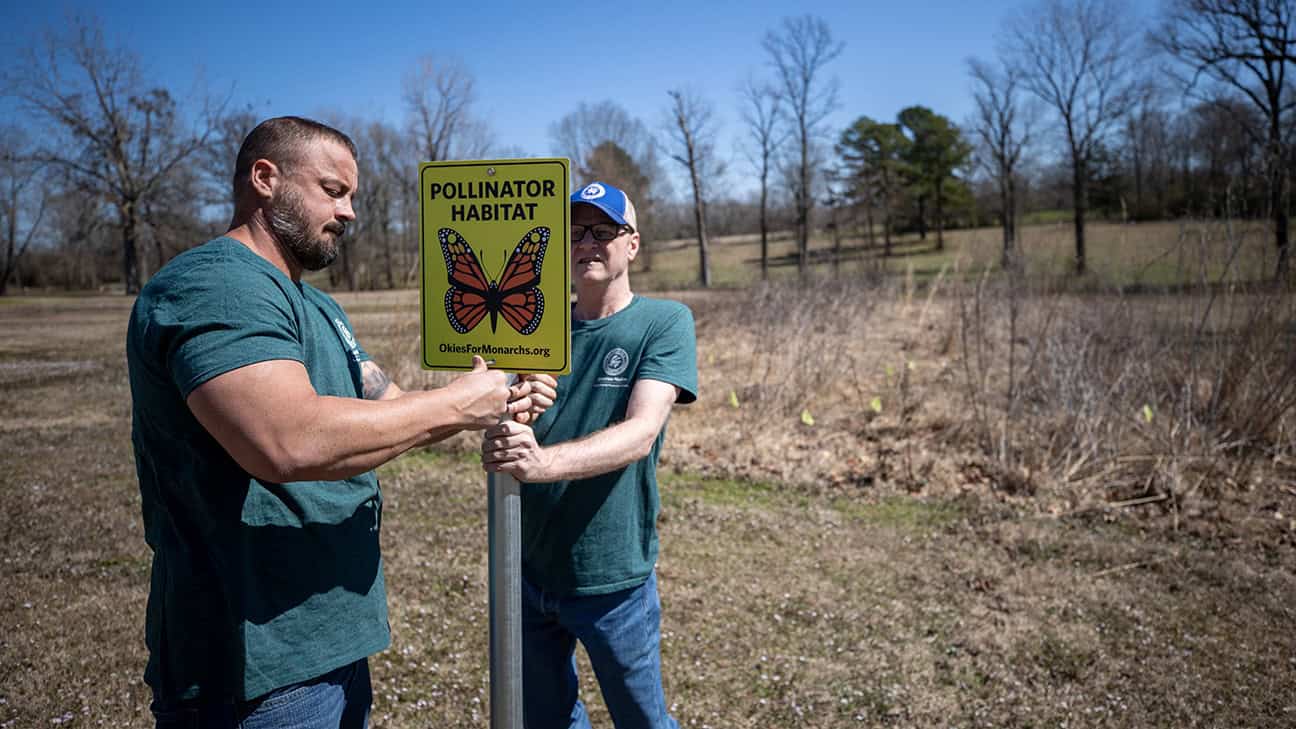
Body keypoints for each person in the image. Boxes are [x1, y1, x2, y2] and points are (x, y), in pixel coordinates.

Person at [126, 116, 556, 728]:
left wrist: (495, 394)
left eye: (353, 196)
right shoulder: (217, 285)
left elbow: (387, 405)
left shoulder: (314, 303)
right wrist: (461, 404)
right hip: (254, 661)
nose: (350, 212)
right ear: (265, 178)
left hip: (328, 641)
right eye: (333, 191)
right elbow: (286, 440)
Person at [481, 180, 698, 729]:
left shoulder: (663, 322)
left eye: (604, 230)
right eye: (575, 231)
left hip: (613, 578)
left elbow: (641, 432)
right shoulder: (529, 327)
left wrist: (540, 464)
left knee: (642, 721)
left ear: (633, 244)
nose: (588, 242)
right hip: (526, 571)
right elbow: (510, 419)